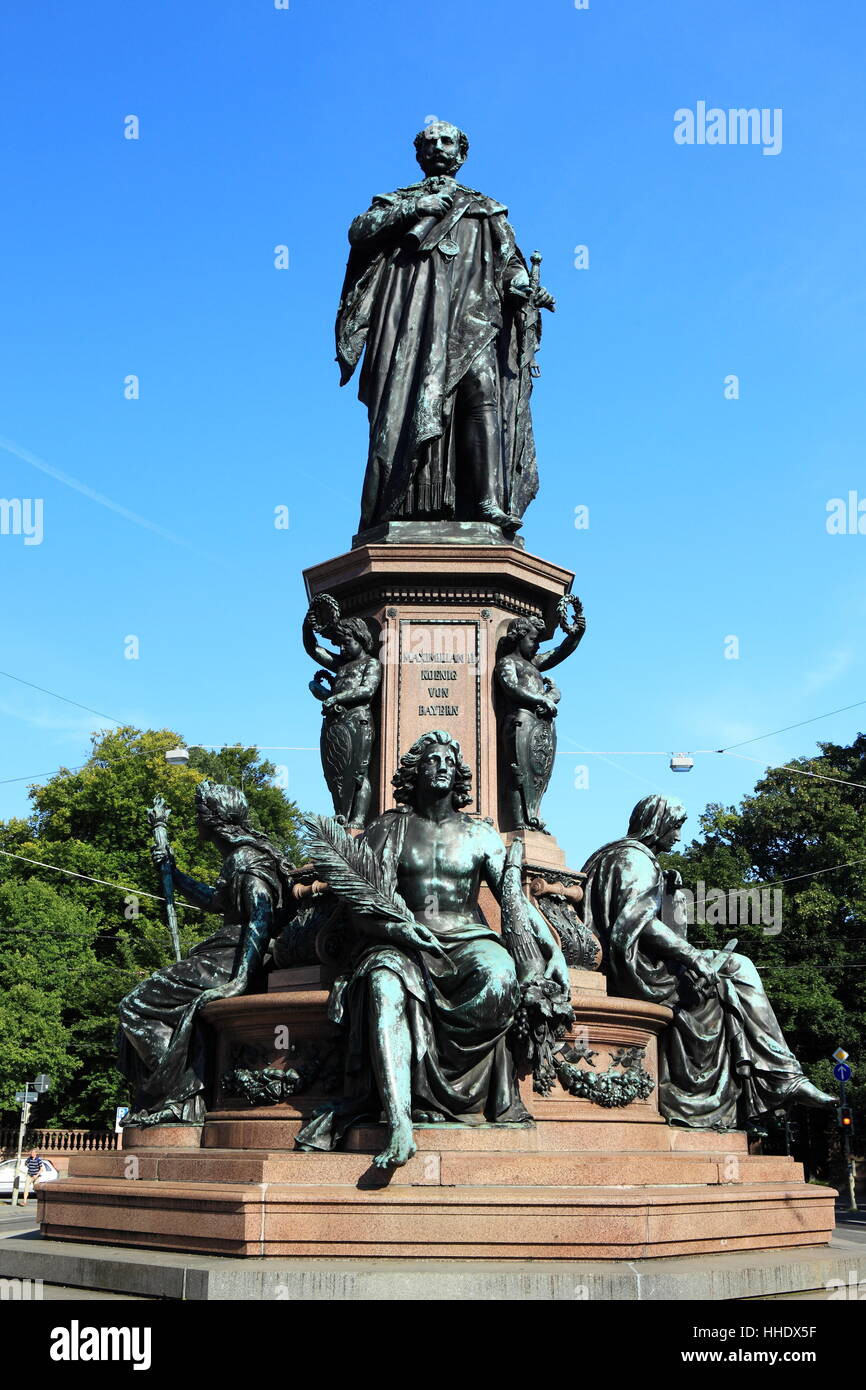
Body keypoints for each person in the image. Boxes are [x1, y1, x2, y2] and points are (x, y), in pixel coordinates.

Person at [296, 730, 570, 1167]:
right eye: (431, 760)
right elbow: (360, 911)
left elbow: (512, 901)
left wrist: (551, 947)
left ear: (459, 774)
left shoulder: (480, 834)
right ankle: (400, 1121)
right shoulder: (387, 829)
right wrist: (405, 934)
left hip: (468, 940)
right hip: (399, 941)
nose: (441, 767)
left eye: (448, 762)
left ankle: (460, 1091)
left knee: (500, 976)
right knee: (384, 985)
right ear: (414, 772)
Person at [337, 121, 555, 535]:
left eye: (446, 141)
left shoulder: (487, 209)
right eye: (429, 142)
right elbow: (358, 232)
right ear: (419, 154)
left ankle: (487, 501)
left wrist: (525, 288)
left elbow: (509, 265)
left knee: (484, 398)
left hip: (472, 323)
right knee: (406, 410)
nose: (438, 147)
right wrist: (414, 210)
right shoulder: (400, 201)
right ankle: (394, 501)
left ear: (462, 153)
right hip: (413, 326)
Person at [580, 794, 835, 1129]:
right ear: (657, 823)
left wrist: (669, 897)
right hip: (638, 973)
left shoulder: (616, 855)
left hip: (621, 967)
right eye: (676, 827)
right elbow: (640, 924)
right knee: (737, 969)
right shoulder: (635, 858)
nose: (679, 836)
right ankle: (782, 1078)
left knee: (729, 975)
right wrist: (694, 957)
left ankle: (782, 1078)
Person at [118, 781, 294, 1127]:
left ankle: (181, 1096)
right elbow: (217, 901)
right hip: (227, 951)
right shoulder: (238, 856)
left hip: (235, 956)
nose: (195, 819)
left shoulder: (247, 857)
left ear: (211, 818)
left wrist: (240, 980)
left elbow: (260, 917)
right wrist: (173, 874)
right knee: (144, 1005)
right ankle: (177, 1093)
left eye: (199, 812)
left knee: (136, 1006)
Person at [303, 607, 381, 829]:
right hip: (336, 724)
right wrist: (307, 625)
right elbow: (313, 649)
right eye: (339, 644)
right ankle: (341, 815)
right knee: (335, 772)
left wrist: (335, 698)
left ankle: (358, 820)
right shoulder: (341, 665)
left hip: (358, 722)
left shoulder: (371, 664)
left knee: (358, 773)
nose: (342, 647)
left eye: (346, 642)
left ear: (360, 638)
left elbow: (367, 691)